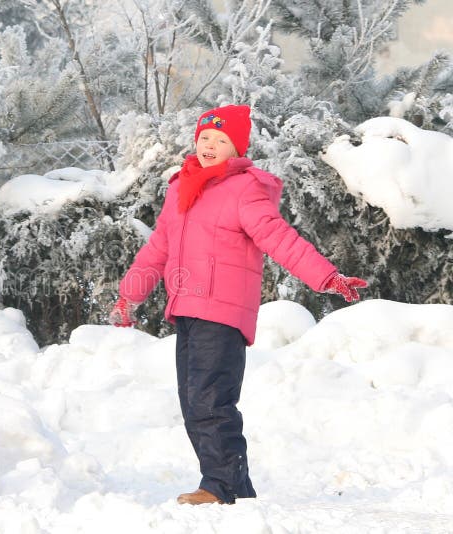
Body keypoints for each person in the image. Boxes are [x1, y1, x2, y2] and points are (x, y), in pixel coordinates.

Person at [108, 104, 367, 506]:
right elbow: (158, 248)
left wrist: (326, 277)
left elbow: (279, 239)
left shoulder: (245, 188)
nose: (210, 145)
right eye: (205, 138)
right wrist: (130, 296)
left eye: (221, 140)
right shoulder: (181, 187)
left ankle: (220, 485)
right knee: (193, 403)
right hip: (187, 310)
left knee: (211, 401)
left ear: (236, 148)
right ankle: (235, 486)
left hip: (223, 311)